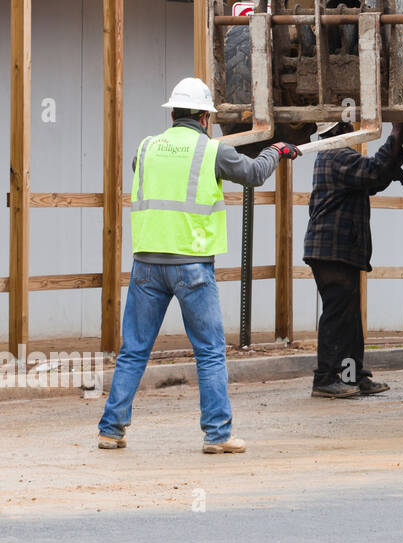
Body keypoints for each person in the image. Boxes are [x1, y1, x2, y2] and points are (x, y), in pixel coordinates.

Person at [98, 78, 300, 453]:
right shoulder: (212, 152)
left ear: (173, 114)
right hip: (191, 266)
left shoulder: (144, 149)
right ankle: (217, 435)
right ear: (206, 118)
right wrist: (277, 150)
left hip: (146, 265)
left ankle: (111, 429)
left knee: (133, 350)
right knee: (208, 352)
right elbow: (254, 174)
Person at [304, 123, 403, 398]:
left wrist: (394, 160)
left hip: (337, 250)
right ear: (338, 129)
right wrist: (396, 135)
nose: (353, 128)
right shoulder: (336, 154)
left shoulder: (334, 155)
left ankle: (351, 376)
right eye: (348, 125)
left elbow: (369, 180)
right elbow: (372, 171)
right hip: (331, 250)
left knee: (348, 317)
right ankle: (325, 379)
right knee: (337, 315)